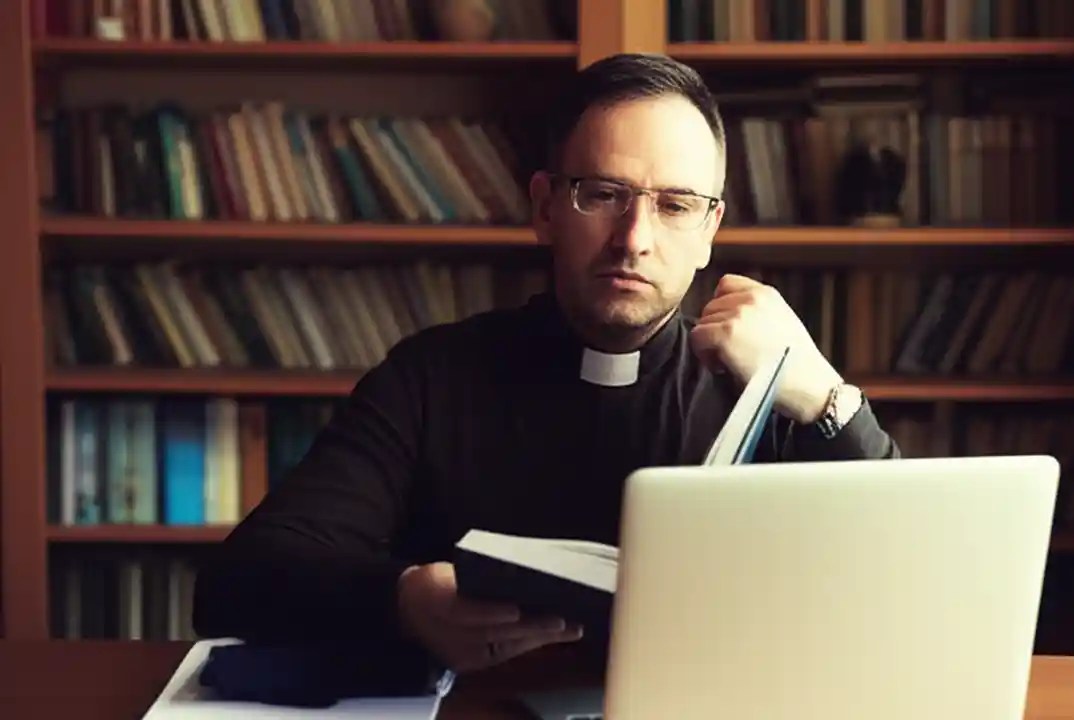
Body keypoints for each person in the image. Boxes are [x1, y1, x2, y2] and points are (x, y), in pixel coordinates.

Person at [192, 53, 899, 674]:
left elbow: (933, 586)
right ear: (544, 208)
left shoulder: (768, 392)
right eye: (602, 194)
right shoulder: (433, 377)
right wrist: (403, 602)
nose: (634, 239)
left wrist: (828, 398)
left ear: (710, 229)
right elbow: (239, 582)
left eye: (675, 205)